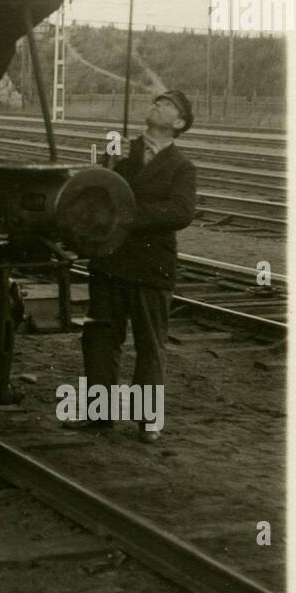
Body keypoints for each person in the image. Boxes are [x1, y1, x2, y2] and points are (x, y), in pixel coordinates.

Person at [73, 89, 197, 443]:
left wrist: (128, 214)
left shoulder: (182, 167)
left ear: (179, 123)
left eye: (168, 105)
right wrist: (107, 169)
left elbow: (181, 211)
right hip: (110, 260)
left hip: (149, 266)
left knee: (150, 344)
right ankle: (99, 415)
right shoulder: (123, 156)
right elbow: (100, 192)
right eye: (157, 101)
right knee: (99, 338)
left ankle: (148, 421)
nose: (158, 104)